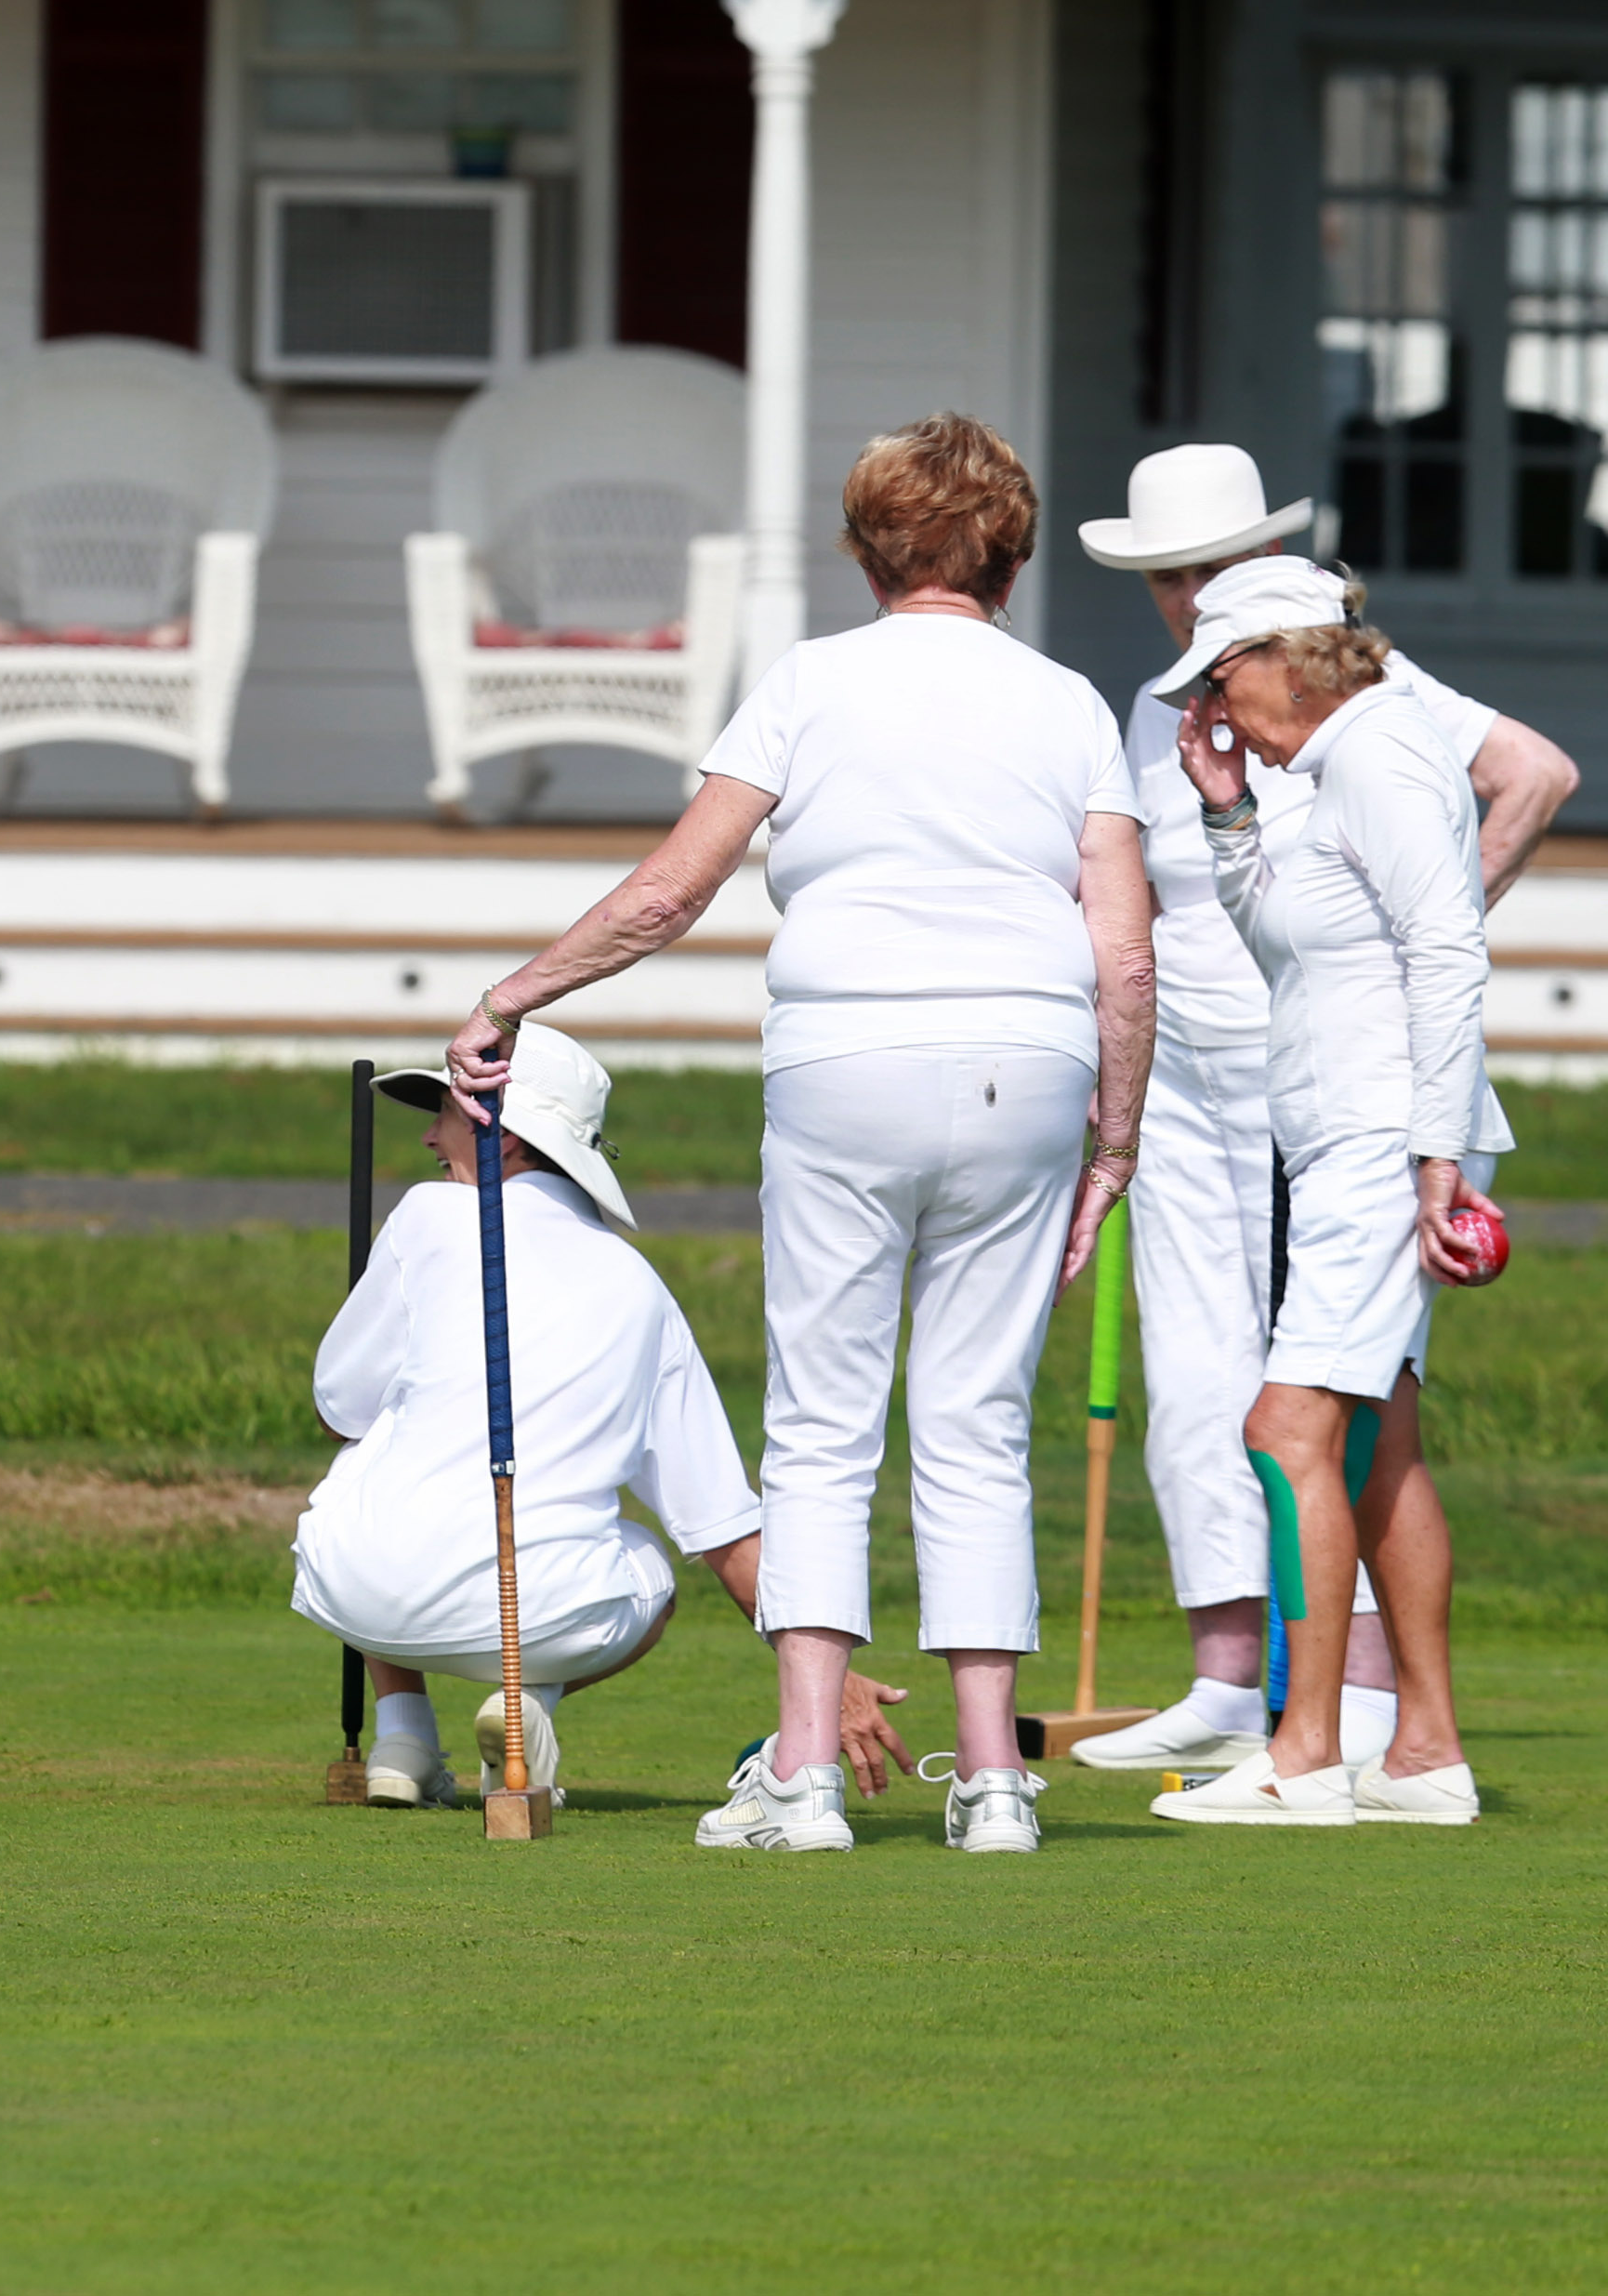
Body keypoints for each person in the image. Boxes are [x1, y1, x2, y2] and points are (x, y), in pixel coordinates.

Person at [446, 416, 1154, 1856]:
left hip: (844, 1055)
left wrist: (512, 993)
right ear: (1007, 557)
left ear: (865, 547)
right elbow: (1124, 947)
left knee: (821, 1425)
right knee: (975, 1422)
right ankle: (993, 1783)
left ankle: (802, 1772)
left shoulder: (808, 684)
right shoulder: (1067, 702)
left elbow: (669, 891)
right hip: (1028, 1062)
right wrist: (1113, 1143)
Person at [1066, 447, 1575, 1777]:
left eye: (1202, 573)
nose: (1182, 602)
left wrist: (1406, 957)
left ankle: (1334, 1721)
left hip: (1351, 1101)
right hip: (1208, 1078)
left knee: (1320, 1411)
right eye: (1163, 576)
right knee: (1217, 1378)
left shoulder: (1367, 703)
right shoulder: (1171, 705)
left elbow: (1523, 786)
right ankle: (1264, 1695)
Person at [296, 1029, 902, 1812]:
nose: (426, 1133)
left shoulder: (421, 1216)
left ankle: (402, 1737)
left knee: (374, 1457)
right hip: (542, 1620)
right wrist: (828, 1674)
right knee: (649, 1562)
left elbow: (336, 1409)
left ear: (503, 1137)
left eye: (444, 1111)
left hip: (353, 1588)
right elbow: (721, 1534)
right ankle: (528, 1709)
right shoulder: (640, 1286)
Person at [1144, 556, 1496, 1828]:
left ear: (1287, 653)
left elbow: (1447, 943)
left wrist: (1435, 1150)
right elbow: (1283, 950)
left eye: (1222, 674)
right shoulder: (1326, 769)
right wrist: (1225, 813)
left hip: (1380, 1135)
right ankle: (1422, 1752)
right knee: (1372, 1443)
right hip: (1353, 1131)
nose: (1215, 704)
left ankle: (1301, 1754)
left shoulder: (1381, 753)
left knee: (1282, 1429)